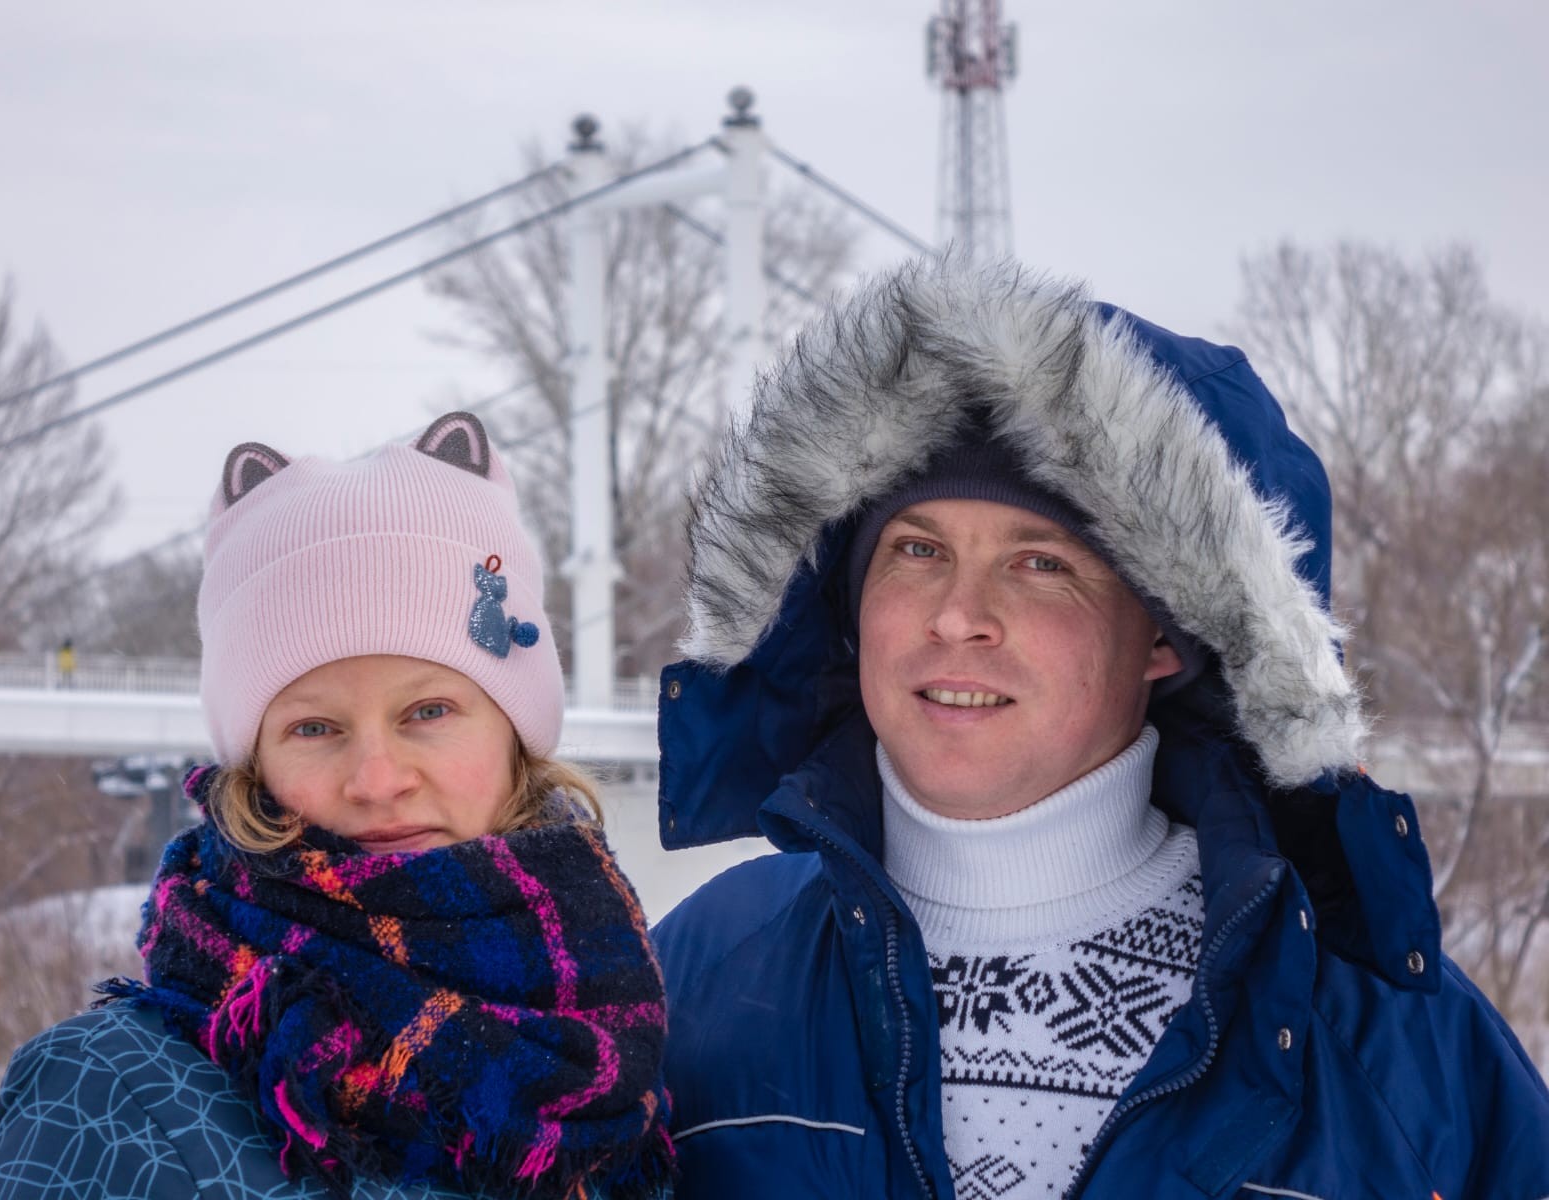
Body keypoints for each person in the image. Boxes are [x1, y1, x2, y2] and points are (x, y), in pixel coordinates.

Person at [652, 260, 1549, 1199]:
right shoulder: (693, 983)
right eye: (917, 550)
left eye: (1040, 564)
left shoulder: (1398, 1054)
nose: (958, 617)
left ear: (1167, 633)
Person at [0, 413, 675, 1200]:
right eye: (315, 727)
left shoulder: (627, 1034)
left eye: (429, 712)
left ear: (517, 732)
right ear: (254, 762)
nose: (377, 779)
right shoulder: (102, 1097)